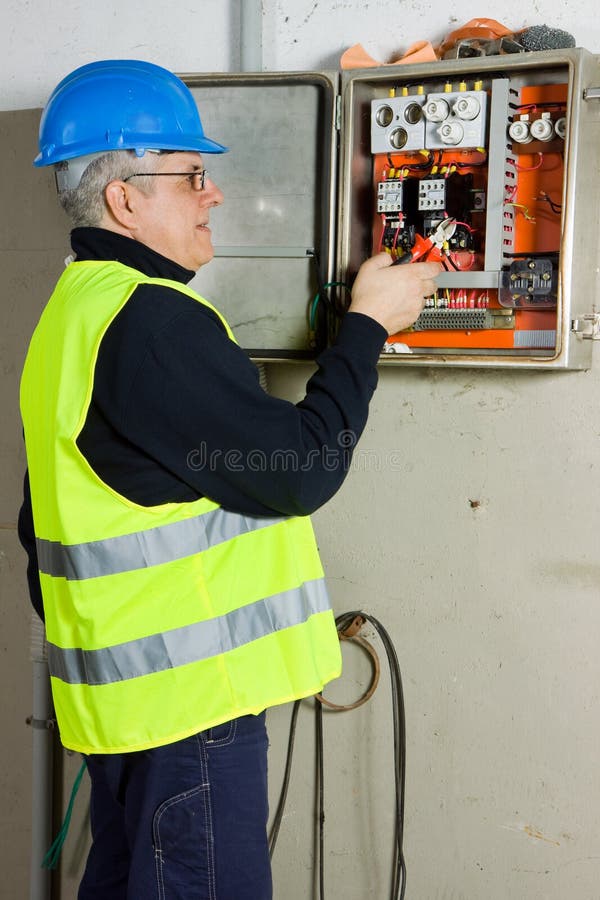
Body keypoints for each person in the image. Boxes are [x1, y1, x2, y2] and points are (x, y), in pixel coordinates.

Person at [18, 59, 441, 900]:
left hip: (128, 718)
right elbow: (301, 468)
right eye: (193, 176)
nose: (212, 195)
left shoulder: (74, 309)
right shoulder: (149, 322)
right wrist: (366, 329)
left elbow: (43, 534)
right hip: (190, 720)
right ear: (125, 198)